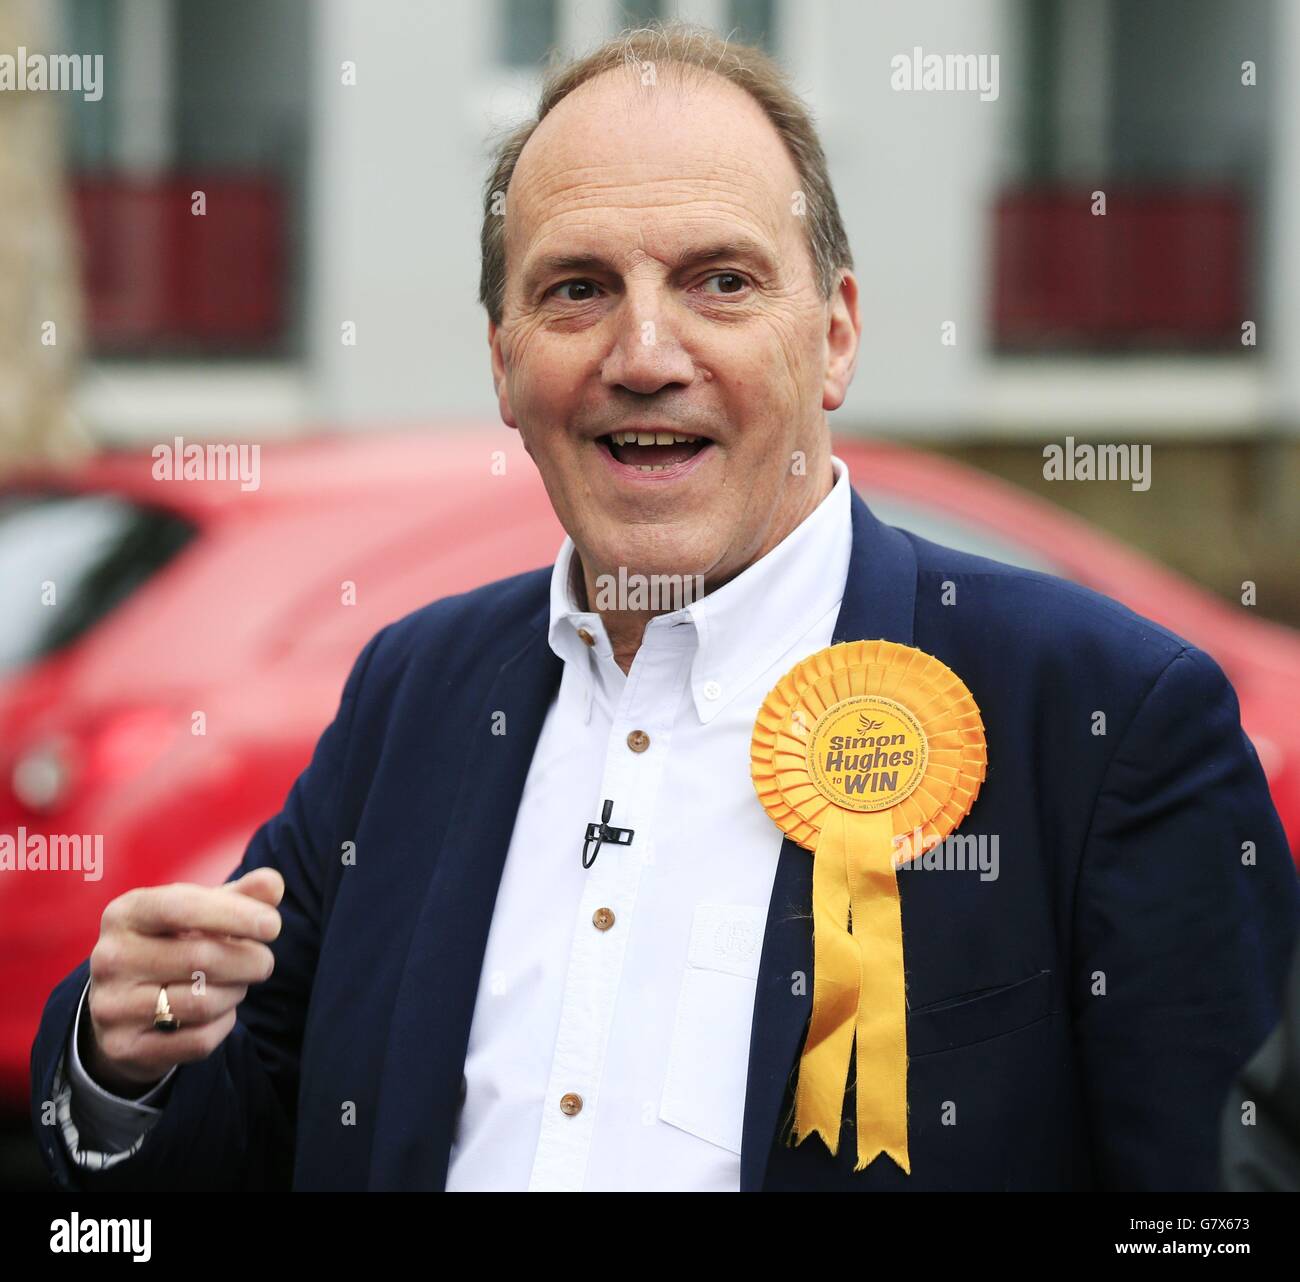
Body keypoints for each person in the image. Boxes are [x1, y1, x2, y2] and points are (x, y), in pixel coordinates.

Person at [30, 23, 1300, 1192]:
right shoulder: (412, 691)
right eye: (576, 288)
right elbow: (247, 1140)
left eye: (720, 282)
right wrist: (127, 1057)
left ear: (837, 334)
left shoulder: (1104, 718)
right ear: (504, 361)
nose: (643, 354)